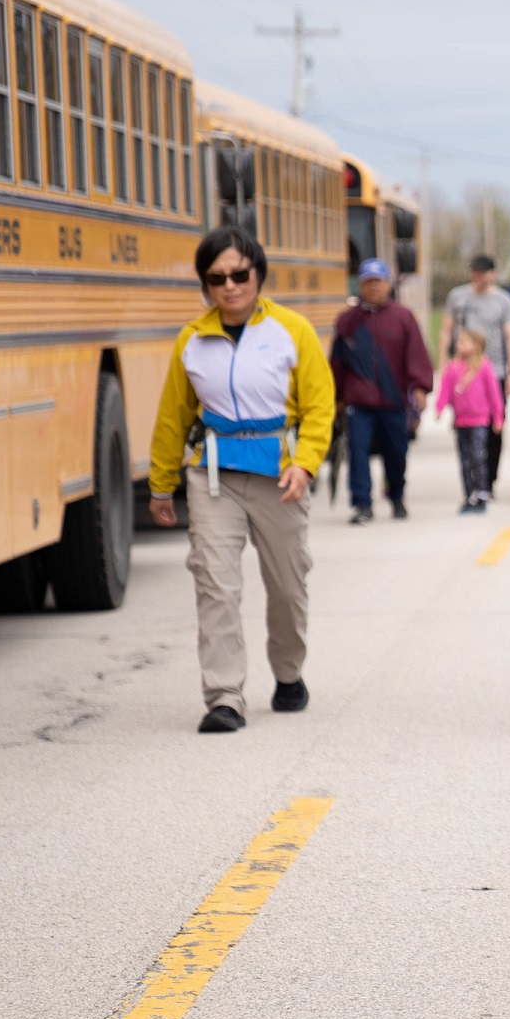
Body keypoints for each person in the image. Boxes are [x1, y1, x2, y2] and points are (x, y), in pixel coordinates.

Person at [148, 227, 335, 734]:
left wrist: (307, 462)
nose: (230, 286)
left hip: (280, 476)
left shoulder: (292, 331)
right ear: (205, 284)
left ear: (257, 274)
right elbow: (173, 415)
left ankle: (289, 672)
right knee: (215, 584)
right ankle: (224, 695)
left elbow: (320, 406)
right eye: (217, 278)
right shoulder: (192, 340)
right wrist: (161, 483)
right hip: (214, 479)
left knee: (287, 587)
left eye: (239, 275)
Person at [332, 258, 432, 525]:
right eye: (368, 283)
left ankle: (397, 495)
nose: (373, 287)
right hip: (359, 401)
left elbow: (417, 355)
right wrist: (337, 397)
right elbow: (338, 362)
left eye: (378, 282)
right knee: (358, 452)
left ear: (388, 284)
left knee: (396, 452)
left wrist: (420, 387)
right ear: (360, 286)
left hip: (394, 399)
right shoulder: (348, 321)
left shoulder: (403, 318)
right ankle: (362, 503)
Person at [444, 255, 510, 496]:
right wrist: (444, 366)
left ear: (493, 273)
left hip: (494, 370)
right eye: (475, 271)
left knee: (494, 427)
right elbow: (446, 331)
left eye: (483, 272)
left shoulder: (504, 301)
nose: (478, 276)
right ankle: (472, 479)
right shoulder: (458, 297)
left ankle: (488, 480)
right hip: (464, 373)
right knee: (467, 427)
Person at [436, 329, 501, 512]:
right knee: (464, 460)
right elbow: (445, 390)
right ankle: (468, 495)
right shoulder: (452, 367)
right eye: (459, 342)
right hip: (461, 422)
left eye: (464, 342)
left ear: (477, 346)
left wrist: (498, 417)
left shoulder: (484, 366)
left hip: (479, 421)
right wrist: (439, 407)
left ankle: (481, 492)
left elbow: (494, 394)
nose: (459, 346)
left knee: (478, 456)